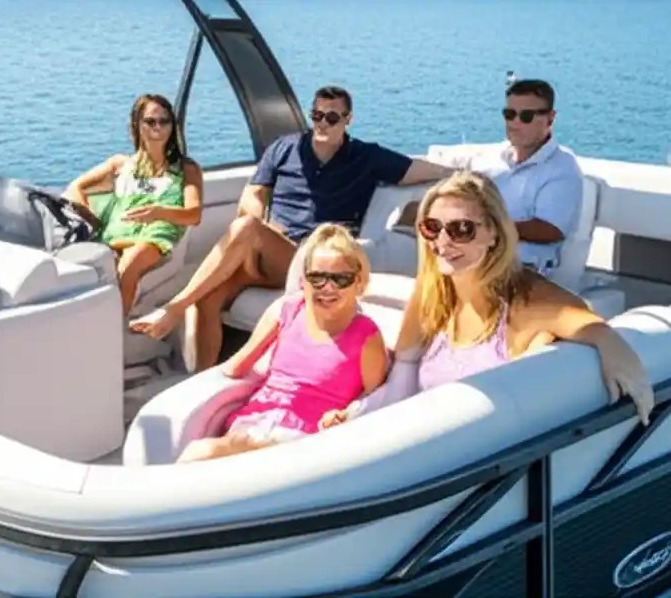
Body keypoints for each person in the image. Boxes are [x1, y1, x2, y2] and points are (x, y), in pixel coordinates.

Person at [131, 85, 453, 370]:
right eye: (317, 115)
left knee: (246, 230)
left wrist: (465, 174)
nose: (323, 124)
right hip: (271, 250)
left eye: (332, 118)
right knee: (208, 297)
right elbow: (253, 194)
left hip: (312, 257)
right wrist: (263, 226)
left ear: (348, 120)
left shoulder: (365, 156)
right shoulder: (284, 148)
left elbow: (418, 170)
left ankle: (174, 308)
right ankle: (204, 386)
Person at [322, 171, 654, 430]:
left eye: (462, 229)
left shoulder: (523, 297)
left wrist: (616, 348)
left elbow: (586, 322)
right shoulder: (434, 294)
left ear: (494, 233)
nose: (443, 241)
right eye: (432, 227)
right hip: (417, 445)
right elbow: (403, 379)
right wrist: (357, 415)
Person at [176, 223, 389, 462]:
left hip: (307, 440)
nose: (327, 288)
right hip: (257, 421)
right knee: (204, 454)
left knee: (202, 454)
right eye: (317, 277)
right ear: (303, 281)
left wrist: (345, 415)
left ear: (359, 283)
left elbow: (378, 399)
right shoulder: (286, 310)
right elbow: (237, 366)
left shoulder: (365, 336)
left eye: (341, 279)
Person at [397, 78, 583, 278]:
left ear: (550, 118)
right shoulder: (490, 158)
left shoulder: (562, 169)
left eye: (526, 116)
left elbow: (549, 230)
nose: (515, 123)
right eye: (509, 115)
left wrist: (483, 228)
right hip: (469, 259)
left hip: (522, 270)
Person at [64, 94, 203, 315]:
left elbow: (194, 214)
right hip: (116, 234)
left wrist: (158, 212)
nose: (158, 127)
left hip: (154, 236)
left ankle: (115, 332)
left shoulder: (186, 168)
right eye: (150, 121)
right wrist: (93, 223)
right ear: (136, 125)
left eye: (164, 121)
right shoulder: (120, 164)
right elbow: (76, 188)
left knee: (129, 266)